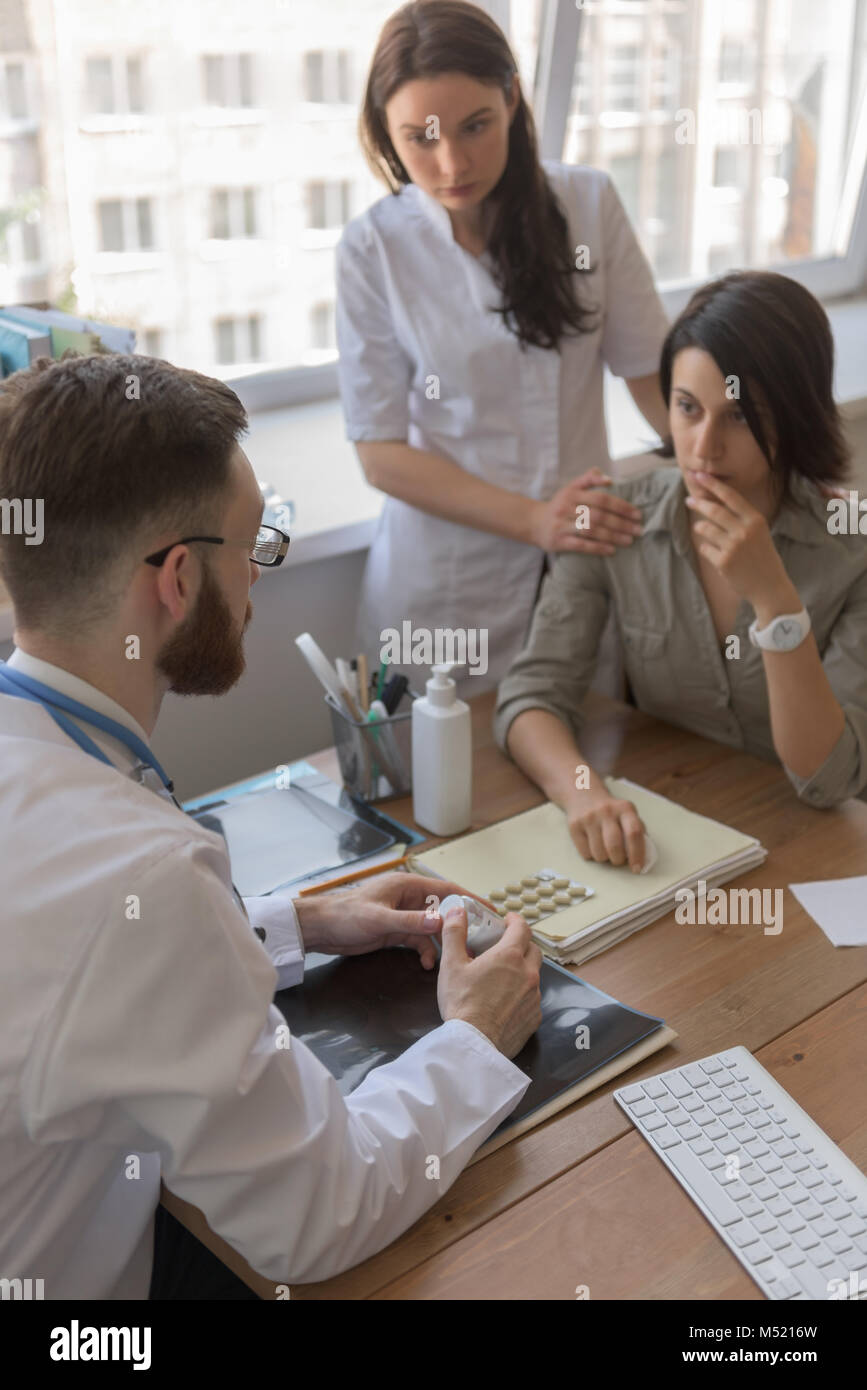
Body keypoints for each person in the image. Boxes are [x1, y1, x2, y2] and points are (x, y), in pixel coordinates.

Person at [0, 352, 542, 1301]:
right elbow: (321, 1212)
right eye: (253, 547)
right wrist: (476, 1035)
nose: (255, 576)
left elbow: (74, 970)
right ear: (175, 579)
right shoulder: (143, 876)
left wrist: (297, 924)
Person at [336, 0, 670, 693]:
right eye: (419, 138)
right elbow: (380, 454)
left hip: (577, 574)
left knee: (579, 779)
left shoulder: (587, 204)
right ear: (385, 135)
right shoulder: (373, 249)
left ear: (511, 98)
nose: (451, 162)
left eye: (475, 126)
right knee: (446, 789)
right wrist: (534, 520)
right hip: (444, 588)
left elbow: (655, 380)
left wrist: (755, 469)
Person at [493, 270, 867, 869]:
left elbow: (827, 779)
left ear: (794, 415)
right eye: (688, 408)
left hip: (820, 853)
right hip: (679, 837)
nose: (702, 447)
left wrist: (775, 602)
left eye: (740, 417)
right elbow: (531, 697)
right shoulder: (617, 520)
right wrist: (583, 793)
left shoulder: (854, 548)